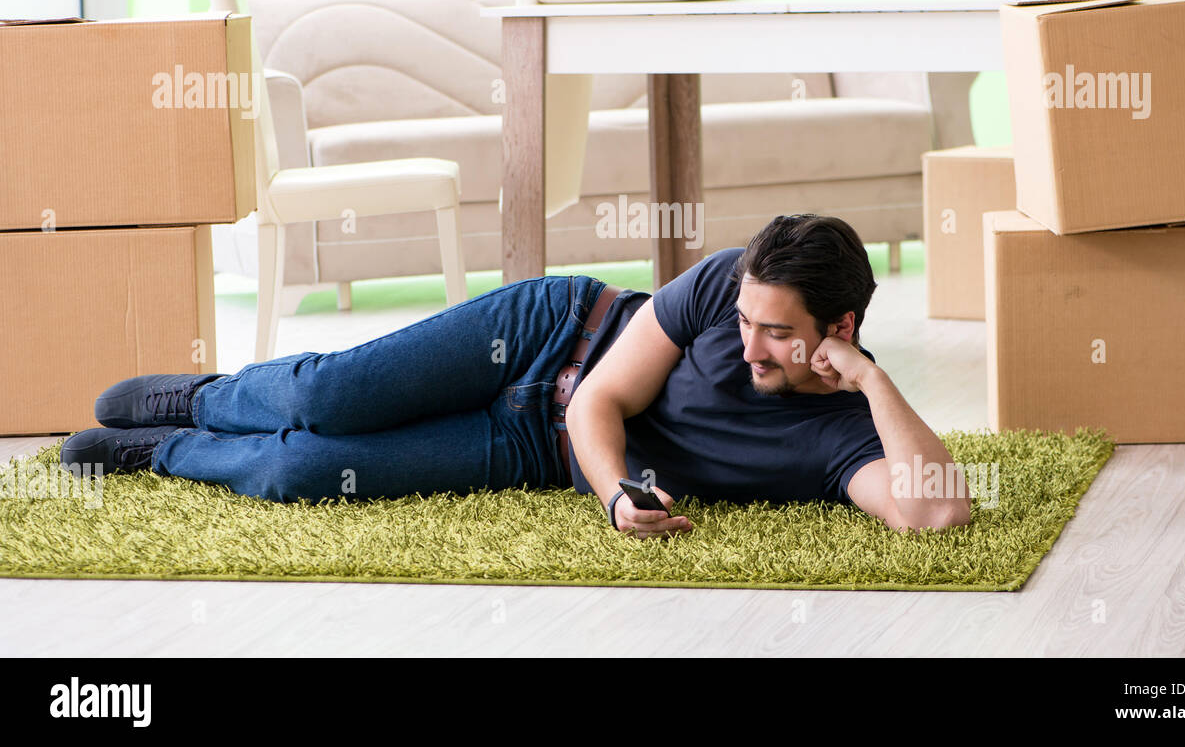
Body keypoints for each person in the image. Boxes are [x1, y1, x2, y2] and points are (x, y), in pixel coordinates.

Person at [63, 213, 971, 538]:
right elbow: (603, 400)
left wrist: (870, 380)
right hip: (550, 339)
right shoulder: (727, 280)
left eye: (776, 336)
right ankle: (208, 396)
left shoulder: (848, 433)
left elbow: (937, 510)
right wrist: (619, 495)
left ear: (839, 329)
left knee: (302, 472)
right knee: (326, 397)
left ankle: (171, 449)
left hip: (527, 448)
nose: (749, 344)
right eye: (742, 323)